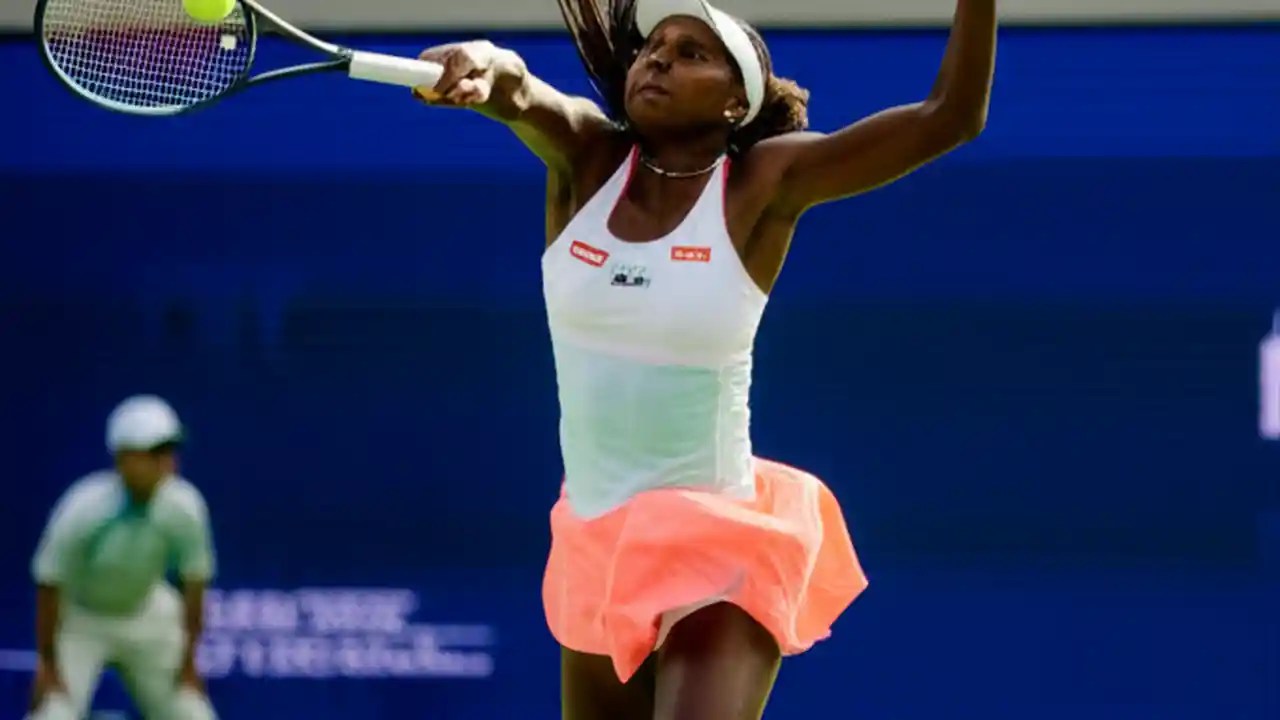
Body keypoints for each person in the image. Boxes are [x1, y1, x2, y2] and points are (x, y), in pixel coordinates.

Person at [414, 0, 997, 716]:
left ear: (734, 103)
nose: (658, 58)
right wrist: (483, 60)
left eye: (692, 52)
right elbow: (521, 91)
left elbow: (950, 117)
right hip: (596, 546)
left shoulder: (763, 182)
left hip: (719, 550)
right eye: (653, 45)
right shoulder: (587, 157)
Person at [28, 395, 217, 720]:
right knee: (53, 716)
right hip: (80, 620)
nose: (166, 462)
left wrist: (188, 664)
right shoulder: (83, 507)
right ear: (123, 458)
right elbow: (49, 583)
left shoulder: (185, 507)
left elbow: (195, 583)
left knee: (193, 715)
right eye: (154, 453)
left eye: (169, 452)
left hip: (148, 617)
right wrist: (47, 664)